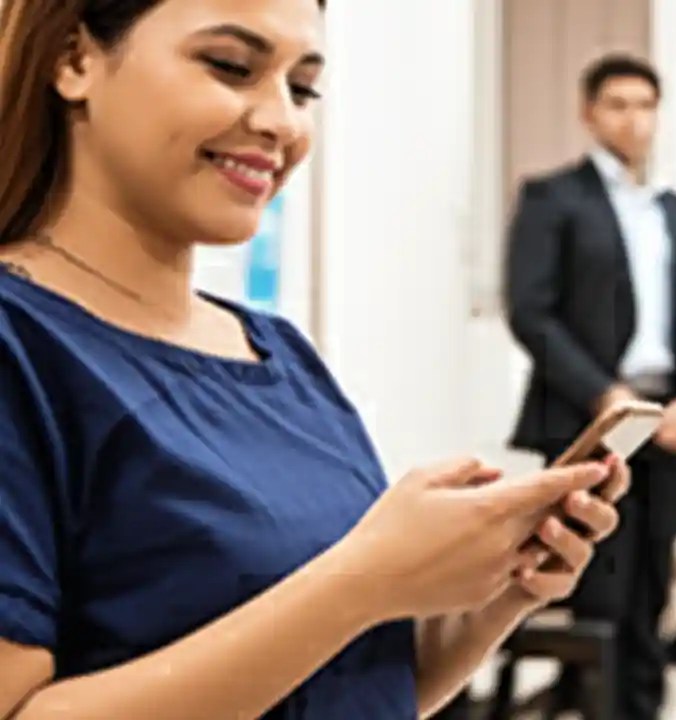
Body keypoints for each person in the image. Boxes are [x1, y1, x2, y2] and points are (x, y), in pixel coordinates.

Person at [0, 1, 630, 718]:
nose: (283, 123)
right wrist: (365, 580)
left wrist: (493, 596)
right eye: (230, 67)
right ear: (75, 60)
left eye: (302, 89)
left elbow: (357, 687)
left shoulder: (278, 354)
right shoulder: (21, 344)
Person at [504, 53, 676, 720]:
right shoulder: (552, 199)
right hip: (589, 420)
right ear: (589, 113)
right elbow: (530, 312)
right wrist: (603, 393)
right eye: (618, 104)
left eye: (646, 105)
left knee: (650, 599)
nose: (634, 118)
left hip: (668, 423)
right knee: (598, 594)